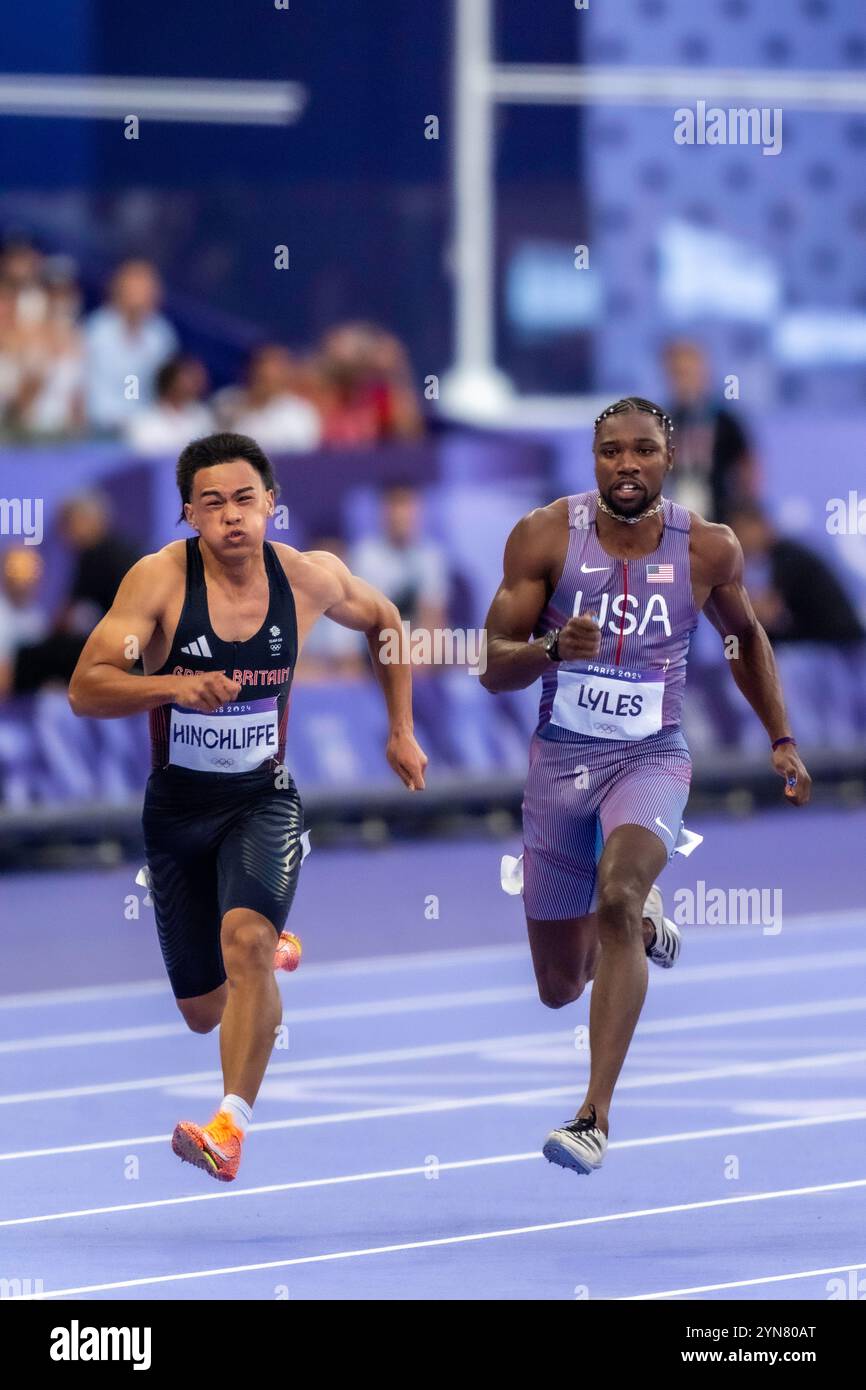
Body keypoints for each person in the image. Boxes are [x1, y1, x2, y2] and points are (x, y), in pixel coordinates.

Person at [68, 432, 427, 1182]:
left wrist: (399, 729)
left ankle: (230, 1125)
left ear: (271, 504)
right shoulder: (158, 582)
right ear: (188, 515)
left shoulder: (308, 578)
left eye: (244, 499)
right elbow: (87, 687)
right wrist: (171, 685)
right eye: (212, 504)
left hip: (262, 799)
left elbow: (388, 620)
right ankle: (266, 945)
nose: (231, 517)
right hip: (176, 811)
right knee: (203, 1011)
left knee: (246, 941)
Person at [480, 396, 810, 1175]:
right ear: (593, 460)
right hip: (561, 767)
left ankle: (593, 1116)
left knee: (619, 894)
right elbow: (493, 665)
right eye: (610, 453)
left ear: (669, 458)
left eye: (642, 451)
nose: (626, 465)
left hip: (651, 759)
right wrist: (554, 646)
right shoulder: (543, 536)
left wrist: (783, 738)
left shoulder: (710, 549)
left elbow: (744, 639)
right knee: (558, 986)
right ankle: (630, 921)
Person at [662, 339, 754, 524]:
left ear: (704, 373)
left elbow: (747, 468)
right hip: (672, 520)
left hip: (718, 517)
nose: (684, 381)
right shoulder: (661, 422)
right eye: (677, 374)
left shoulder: (724, 421)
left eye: (689, 372)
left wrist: (742, 508)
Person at [84, 259, 178, 433]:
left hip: (146, 427)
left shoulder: (161, 335)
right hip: (99, 425)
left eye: (146, 290)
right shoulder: (96, 330)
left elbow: (164, 389)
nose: (140, 296)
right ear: (118, 291)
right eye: (134, 289)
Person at [126, 354, 214, 454]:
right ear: (170, 381)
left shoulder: (202, 415)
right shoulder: (143, 421)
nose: (198, 382)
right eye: (190, 378)